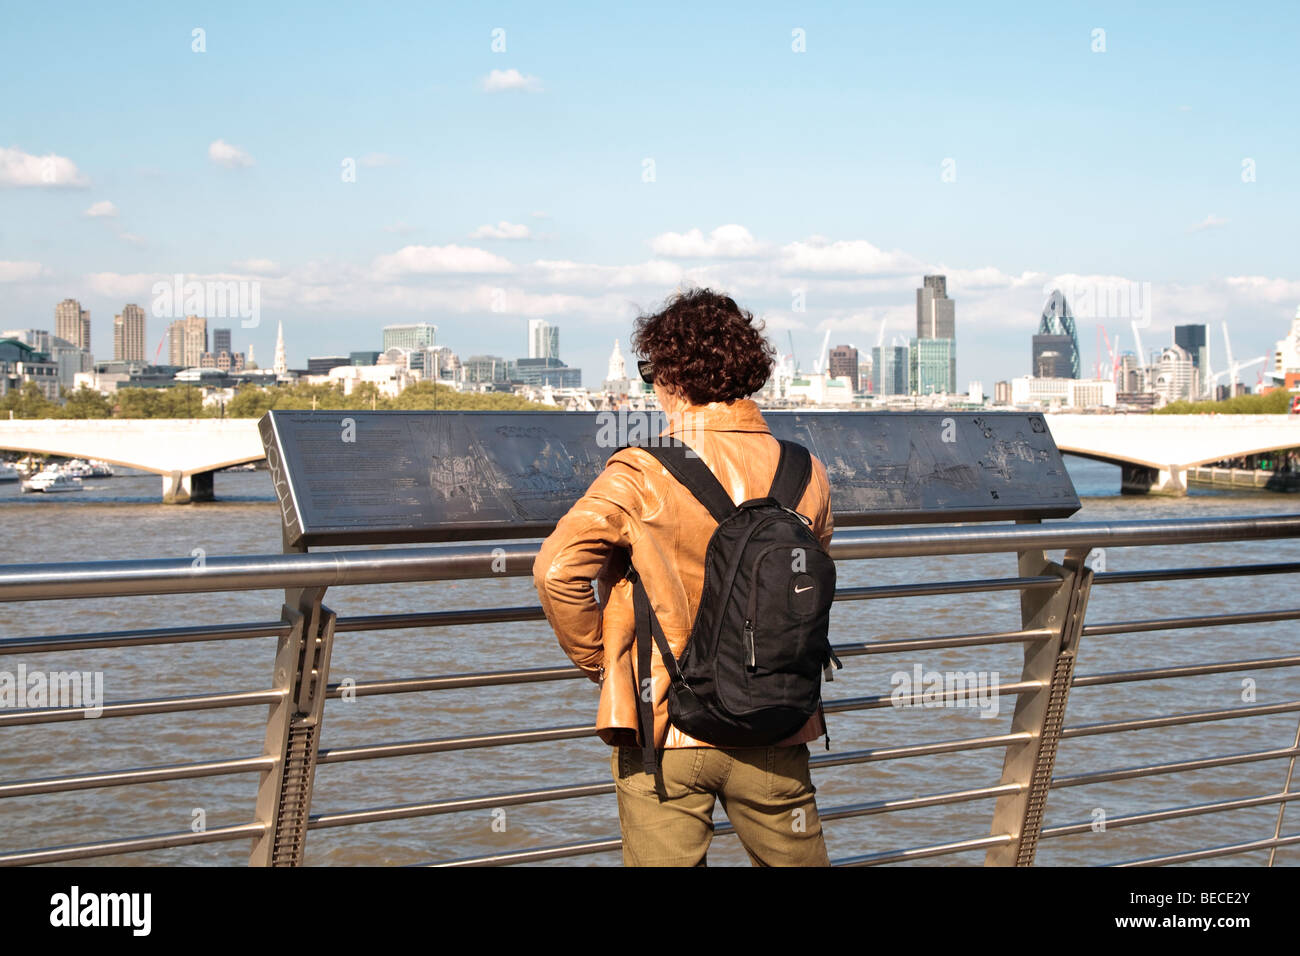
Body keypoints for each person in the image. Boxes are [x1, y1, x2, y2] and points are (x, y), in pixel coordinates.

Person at [532, 288, 834, 866]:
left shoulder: (641, 469)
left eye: (650, 373)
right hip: (777, 722)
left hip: (664, 726)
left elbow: (557, 570)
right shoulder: (805, 470)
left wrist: (606, 664)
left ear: (670, 376)